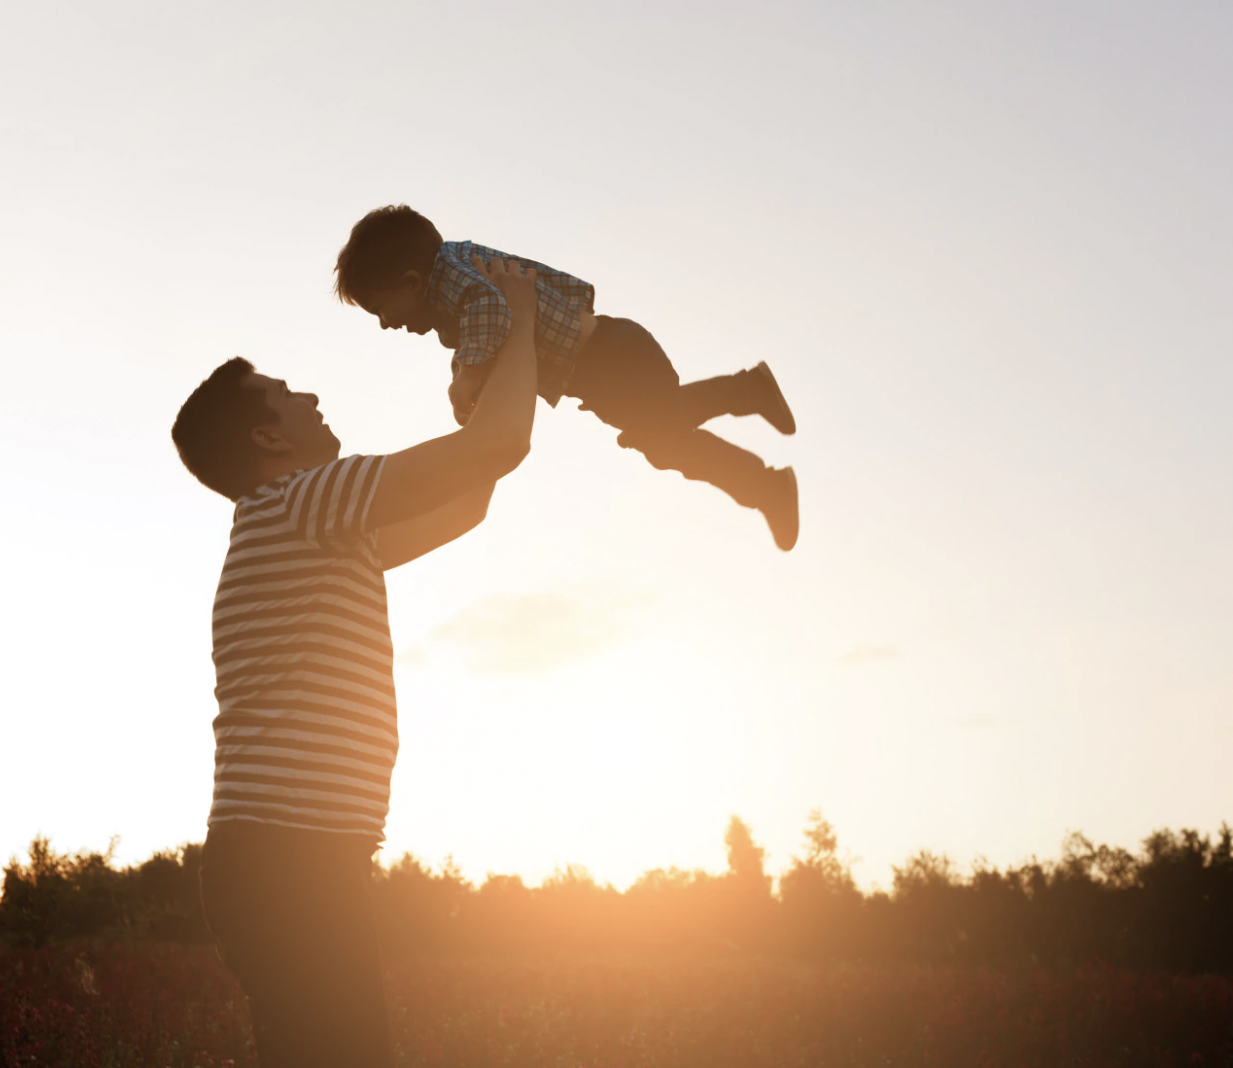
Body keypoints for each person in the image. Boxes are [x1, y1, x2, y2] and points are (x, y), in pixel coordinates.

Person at [170, 258, 542, 1067]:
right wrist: (517, 319)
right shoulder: (300, 503)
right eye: (286, 392)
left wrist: (494, 377)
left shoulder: (321, 528)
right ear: (270, 437)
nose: (308, 396)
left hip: (303, 859)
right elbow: (499, 446)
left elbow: (472, 492)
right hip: (285, 860)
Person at [334, 203, 802, 551]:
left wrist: (467, 376)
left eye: (379, 308)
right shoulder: (456, 281)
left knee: (664, 441)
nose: (384, 323)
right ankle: (749, 399)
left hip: (612, 358)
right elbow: (486, 324)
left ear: (412, 282)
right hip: (606, 364)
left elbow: (491, 309)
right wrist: (465, 374)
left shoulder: (455, 281)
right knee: (663, 431)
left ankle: (765, 481)